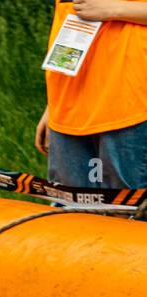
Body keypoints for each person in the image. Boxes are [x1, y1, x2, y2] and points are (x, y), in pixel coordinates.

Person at [36, 0, 147, 190]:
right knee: (71, 213)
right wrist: (52, 104)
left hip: (128, 104)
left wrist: (115, 9)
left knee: (124, 214)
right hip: (68, 105)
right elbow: (69, 16)